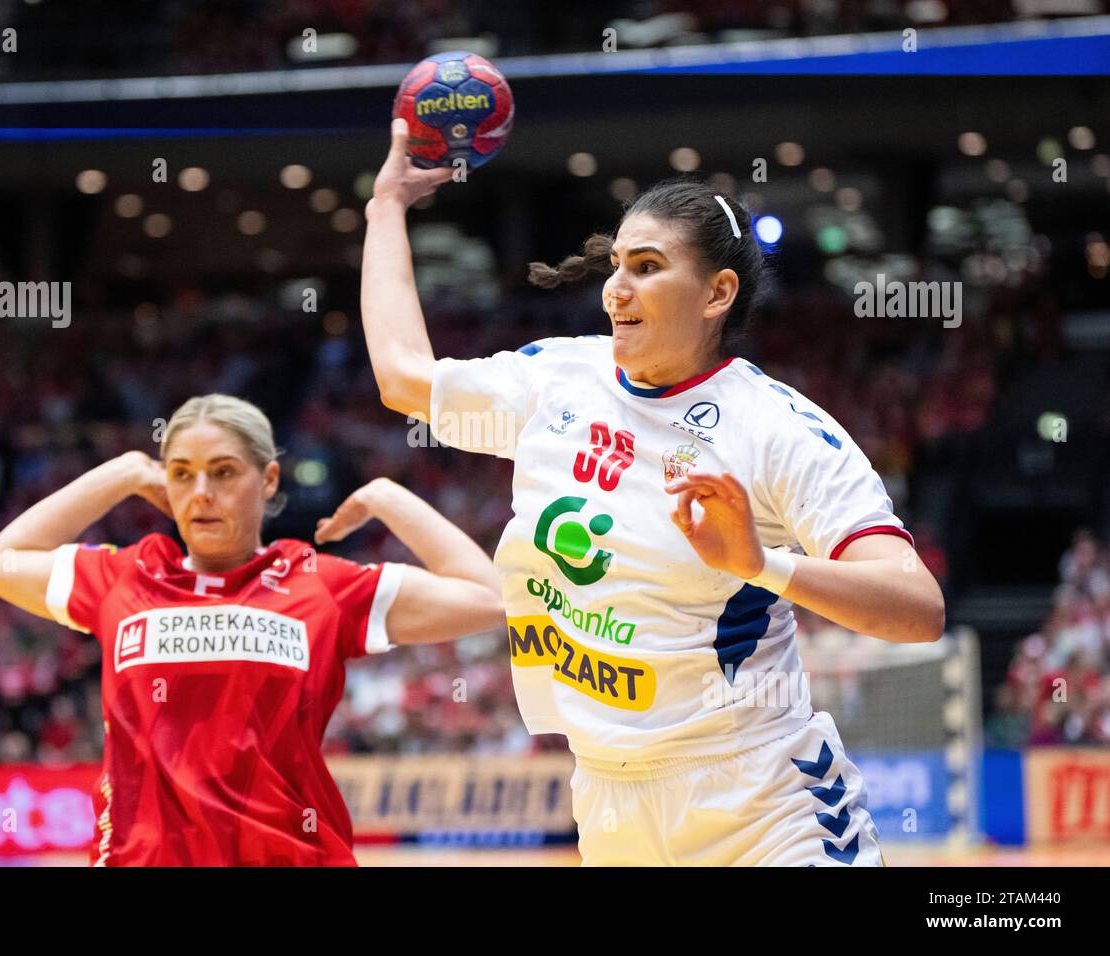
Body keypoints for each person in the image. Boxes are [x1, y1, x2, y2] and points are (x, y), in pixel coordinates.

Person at [360, 119, 946, 866]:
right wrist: (386, 207)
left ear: (717, 293)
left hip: (762, 801)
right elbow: (403, 376)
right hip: (609, 806)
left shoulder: (777, 428)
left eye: (645, 266)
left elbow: (917, 608)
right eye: (615, 265)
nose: (615, 289)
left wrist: (760, 562)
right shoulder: (557, 378)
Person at [0, 393, 505, 866]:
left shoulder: (319, 584)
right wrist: (126, 472)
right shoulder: (123, 576)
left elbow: (487, 597)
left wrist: (387, 498)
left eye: (223, 472)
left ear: (269, 478)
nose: (200, 492)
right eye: (181, 473)